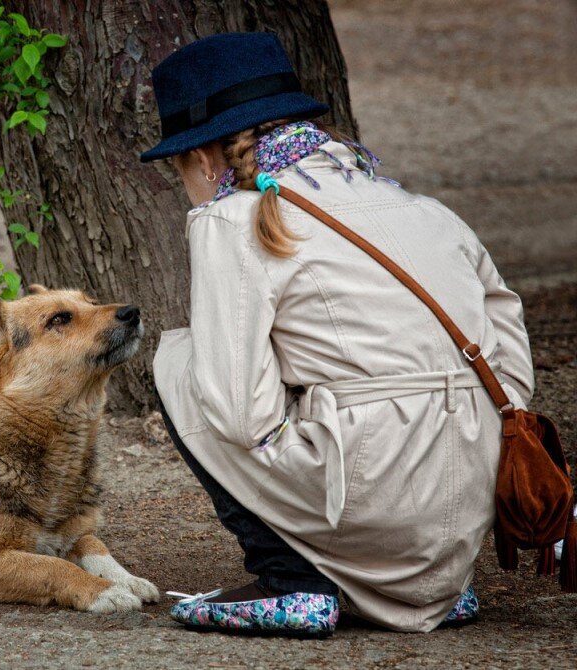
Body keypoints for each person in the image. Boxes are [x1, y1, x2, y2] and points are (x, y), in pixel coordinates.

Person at [142, 33, 534, 636]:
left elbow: (239, 414)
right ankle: (418, 583)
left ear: (205, 158)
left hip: (373, 481)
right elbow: (508, 354)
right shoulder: (421, 207)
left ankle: (291, 581)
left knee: (182, 362)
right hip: (469, 484)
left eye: (180, 169)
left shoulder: (230, 219)